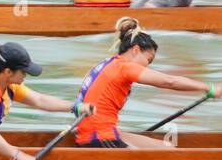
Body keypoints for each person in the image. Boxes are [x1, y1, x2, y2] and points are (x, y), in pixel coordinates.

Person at [73, 18, 215, 149]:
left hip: (93, 134)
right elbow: (170, 82)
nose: (147, 66)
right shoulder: (124, 67)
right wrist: (207, 87)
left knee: (168, 148)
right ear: (135, 50)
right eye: (148, 60)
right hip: (101, 138)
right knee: (166, 157)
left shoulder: (106, 64)